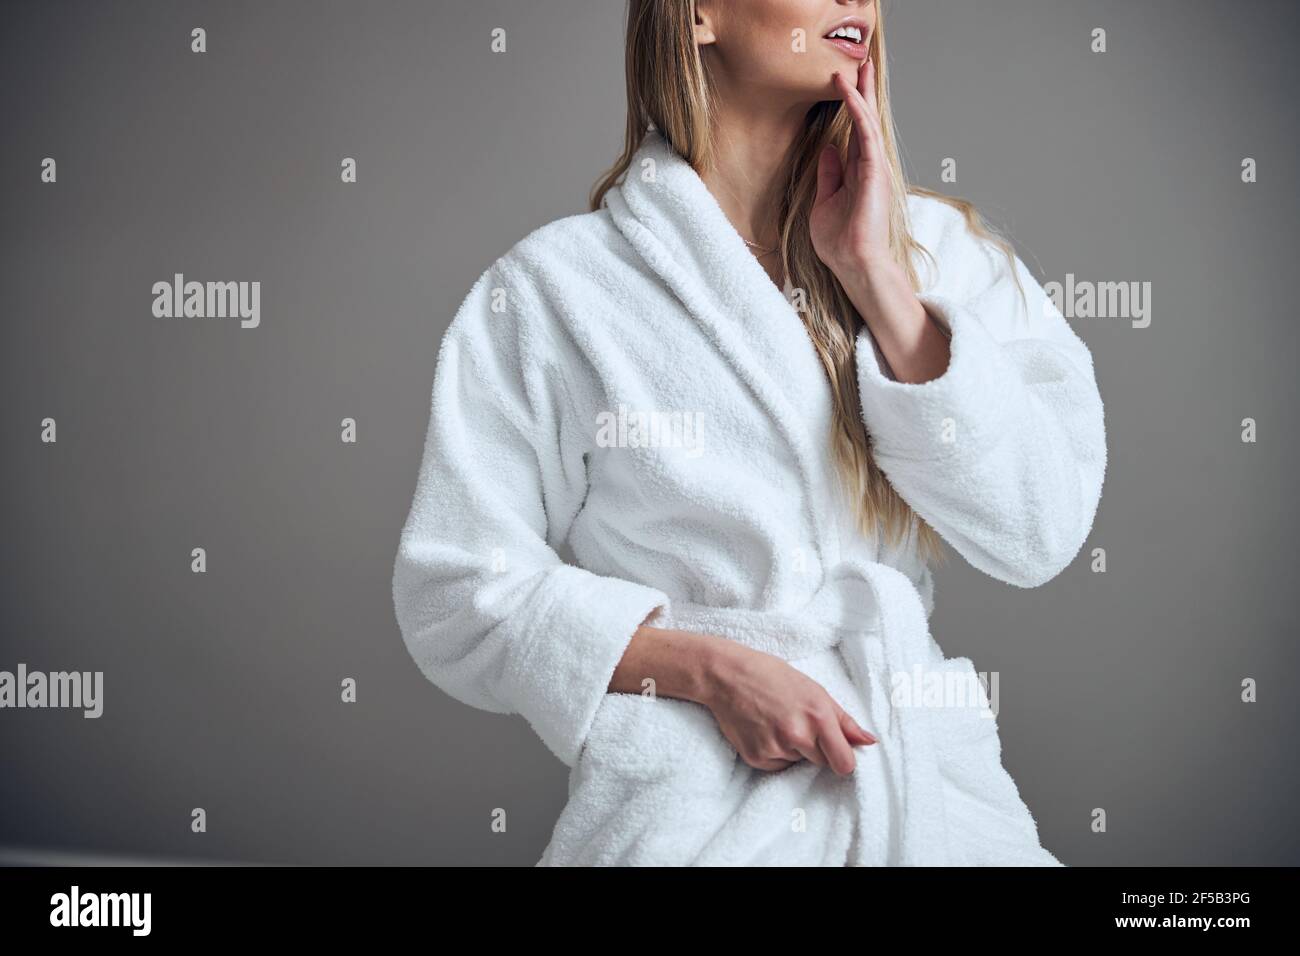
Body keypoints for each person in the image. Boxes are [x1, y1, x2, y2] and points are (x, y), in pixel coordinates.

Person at [392, 0, 1107, 866]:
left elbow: (1042, 530)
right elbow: (456, 590)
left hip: (925, 800)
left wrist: (879, 284)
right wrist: (705, 670)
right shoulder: (556, 290)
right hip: (695, 813)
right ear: (700, 14)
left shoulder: (935, 255)